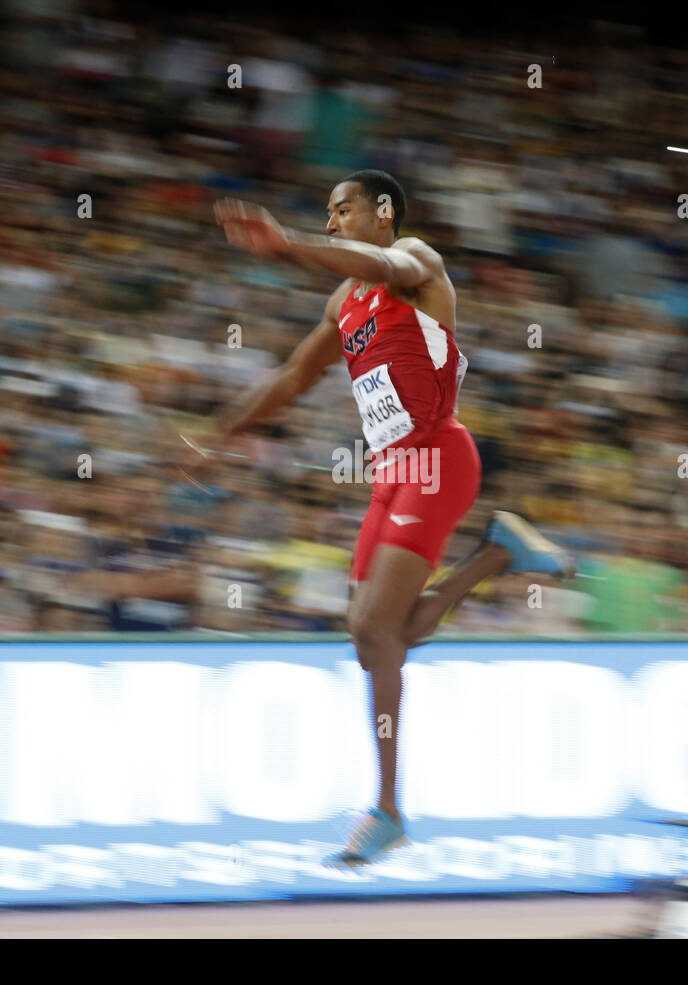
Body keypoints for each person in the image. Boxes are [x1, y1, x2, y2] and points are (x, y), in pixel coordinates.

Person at [201, 170, 575, 867]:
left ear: (384, 212)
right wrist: (222, 432)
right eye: (326, 214)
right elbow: (293, 378)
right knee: (375, 634)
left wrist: (288, 245)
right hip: (390, 477)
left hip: (438, 459)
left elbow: (382, 263)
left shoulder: (416, 264)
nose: (334, 222)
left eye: (342, 210)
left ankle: (388, 811)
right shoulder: (343, 302)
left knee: (377, 628)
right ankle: (498, 552)